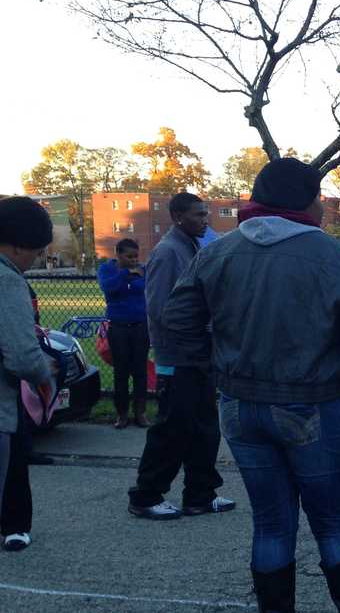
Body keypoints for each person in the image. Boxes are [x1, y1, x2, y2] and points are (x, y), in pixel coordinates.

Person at [162, 158, 340, 611]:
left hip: (241, 406)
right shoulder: (329, 253)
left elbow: (176, 318)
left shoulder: (218, 251)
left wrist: (218, 368)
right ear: (306, 200)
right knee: (334, 525)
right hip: (313, 403)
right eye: (319, 197)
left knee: (270, 524)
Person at [127, 192, 233, 520]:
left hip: (199, 356)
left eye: (206, 214)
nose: (206, 220)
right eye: (199, 215)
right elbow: (161, 310)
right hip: (178, 357)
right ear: (177, 217)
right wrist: (194, 341)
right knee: (172, 428)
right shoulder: (168, 252)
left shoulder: (192, 247)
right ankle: (146, 495)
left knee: (204, 428)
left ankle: (200, 494)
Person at [0, 197, 57, 553]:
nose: (34, 261)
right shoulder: (7, 280)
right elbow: (21, 355)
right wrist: (45, 374)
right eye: (35, 253)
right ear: (19, 244)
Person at [97, 238, 150, 428]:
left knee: (140, 371)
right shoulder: (107, 269)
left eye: (136, 256)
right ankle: (121, 414)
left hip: (140, 326)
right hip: (118, 327)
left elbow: (143, 288)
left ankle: (140, 413)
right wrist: (125, 274)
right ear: (118, 254)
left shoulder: (143, 269)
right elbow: (109, 289)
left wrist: (134, 276)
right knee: (121, 372)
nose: (134, 260)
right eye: (129, 257)